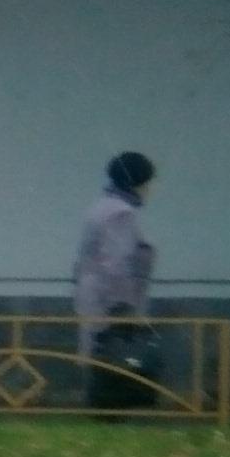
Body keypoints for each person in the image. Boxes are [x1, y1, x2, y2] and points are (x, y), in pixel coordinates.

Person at [73, 150, 159, 413]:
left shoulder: (103, 206)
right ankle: (110, 408)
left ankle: (105, 406)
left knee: (104, 353)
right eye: (149, 183)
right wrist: (124, 306)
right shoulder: (121, 213)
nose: (151, 189)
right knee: (114, 355)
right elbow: (116, 264)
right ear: (137, 182)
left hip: (94, 293)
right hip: (109, 298)